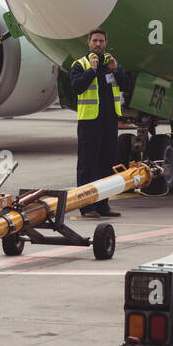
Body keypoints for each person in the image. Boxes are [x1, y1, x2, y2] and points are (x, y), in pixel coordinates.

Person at [70, 28, 129, 218]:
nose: (98, 44)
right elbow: (77, 87)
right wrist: (92, 71)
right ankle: (87, 207)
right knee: (88, 165)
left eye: (101, 41)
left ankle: (103, 205)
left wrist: (116, 69)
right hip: (90, 122)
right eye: (95, 41)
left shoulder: (110, 65)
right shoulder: (80, 64)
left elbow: (127, 86)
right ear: (88, 43)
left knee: (107, 164)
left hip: (109, 122)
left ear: (105, 43)